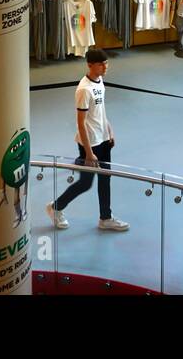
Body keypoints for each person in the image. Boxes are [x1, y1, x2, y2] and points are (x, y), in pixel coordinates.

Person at [46, 47, 130, 232]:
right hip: (89, 145)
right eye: (101, 64)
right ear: (90, 65)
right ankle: (55, 207)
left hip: (103, 139)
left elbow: (100, 111)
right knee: (85, 183)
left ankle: (105, 218)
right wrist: (89, 153)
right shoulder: (84, 90)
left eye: (106, 63)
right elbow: (81, 123)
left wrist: (110, 130)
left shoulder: (100, 81)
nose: (105, 67)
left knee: (105, 179)